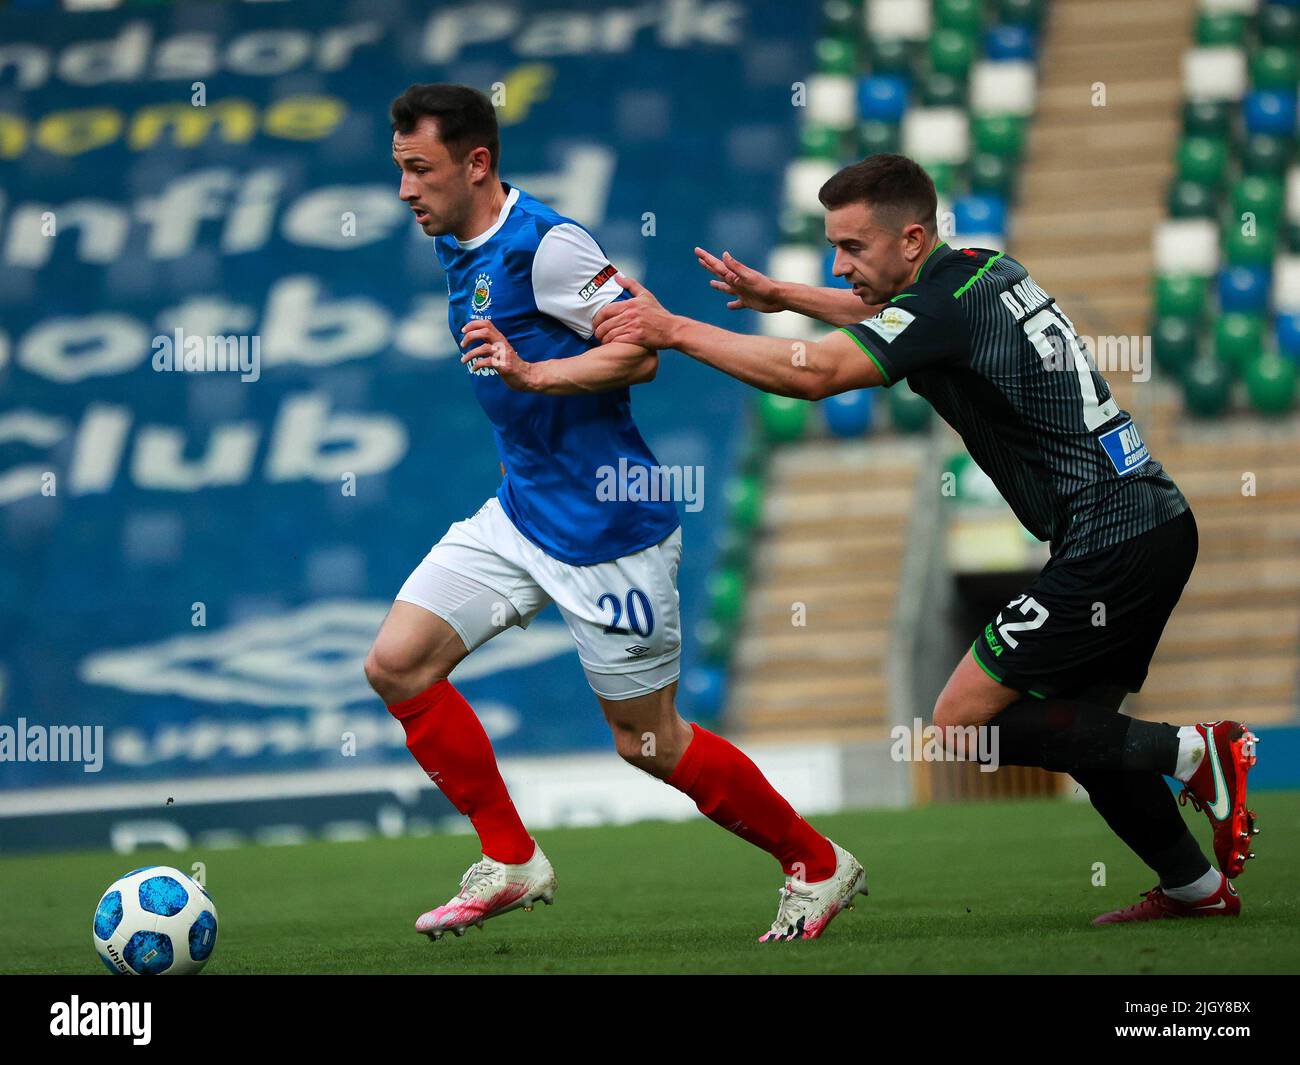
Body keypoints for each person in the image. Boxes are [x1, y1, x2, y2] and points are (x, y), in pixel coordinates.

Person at [592, 153, 1260, 924]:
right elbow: (899, 322)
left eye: (852, 248)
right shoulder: (982, 269)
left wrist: (675, 330)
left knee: (958, 722)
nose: (839, 266)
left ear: (911, 239)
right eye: (833, 248)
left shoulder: (937, 309)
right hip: (1150, 520)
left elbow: (815, 375)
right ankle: (1194, 889)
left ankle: (1195, 753)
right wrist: (779, 295)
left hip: (1112, 534)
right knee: (1086, 729)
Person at [366, 83, 866, 943]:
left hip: (609, 533)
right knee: (398, 665)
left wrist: (537, 375)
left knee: (648, 743)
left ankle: (817, 863)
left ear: (476, 163)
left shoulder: (550, 247)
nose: (405, 190)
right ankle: (512, 859)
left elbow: (640, 355)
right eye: (400, 170)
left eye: (420, 170)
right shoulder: (460, 242)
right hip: (521, 514)